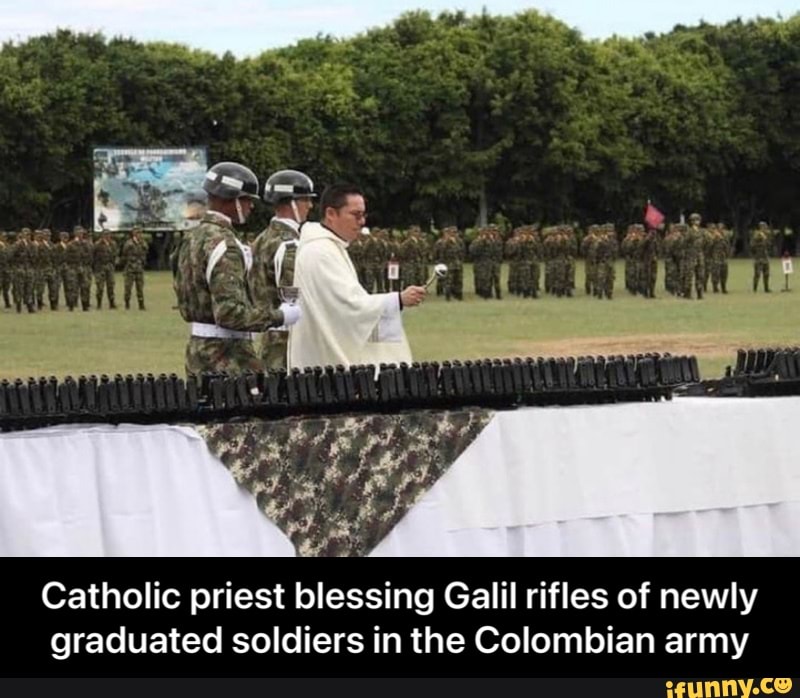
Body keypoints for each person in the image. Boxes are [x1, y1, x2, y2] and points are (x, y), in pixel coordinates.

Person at [173, 161, 300, 377]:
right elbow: (230, 314)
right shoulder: (224, 244)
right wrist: (280, 316)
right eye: (247, 200)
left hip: (198, 350)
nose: (251, 206)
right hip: (228, 355)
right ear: (232, 199)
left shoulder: (191, 237)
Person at [288, 183, 425, 370]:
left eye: (364, 215)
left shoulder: (332, 247)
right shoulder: (319, 252)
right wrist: (398, 299)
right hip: (324, 361)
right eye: (356, 215)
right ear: (331, 214)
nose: (362, 222)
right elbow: (347, 305)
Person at [249, 169, 316, 370]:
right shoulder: (289, 245)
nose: (310, 205)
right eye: (306, 200)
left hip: (270, 335)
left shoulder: (262, 239)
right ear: (292, 202)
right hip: (289, 339)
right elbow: (295, 298)